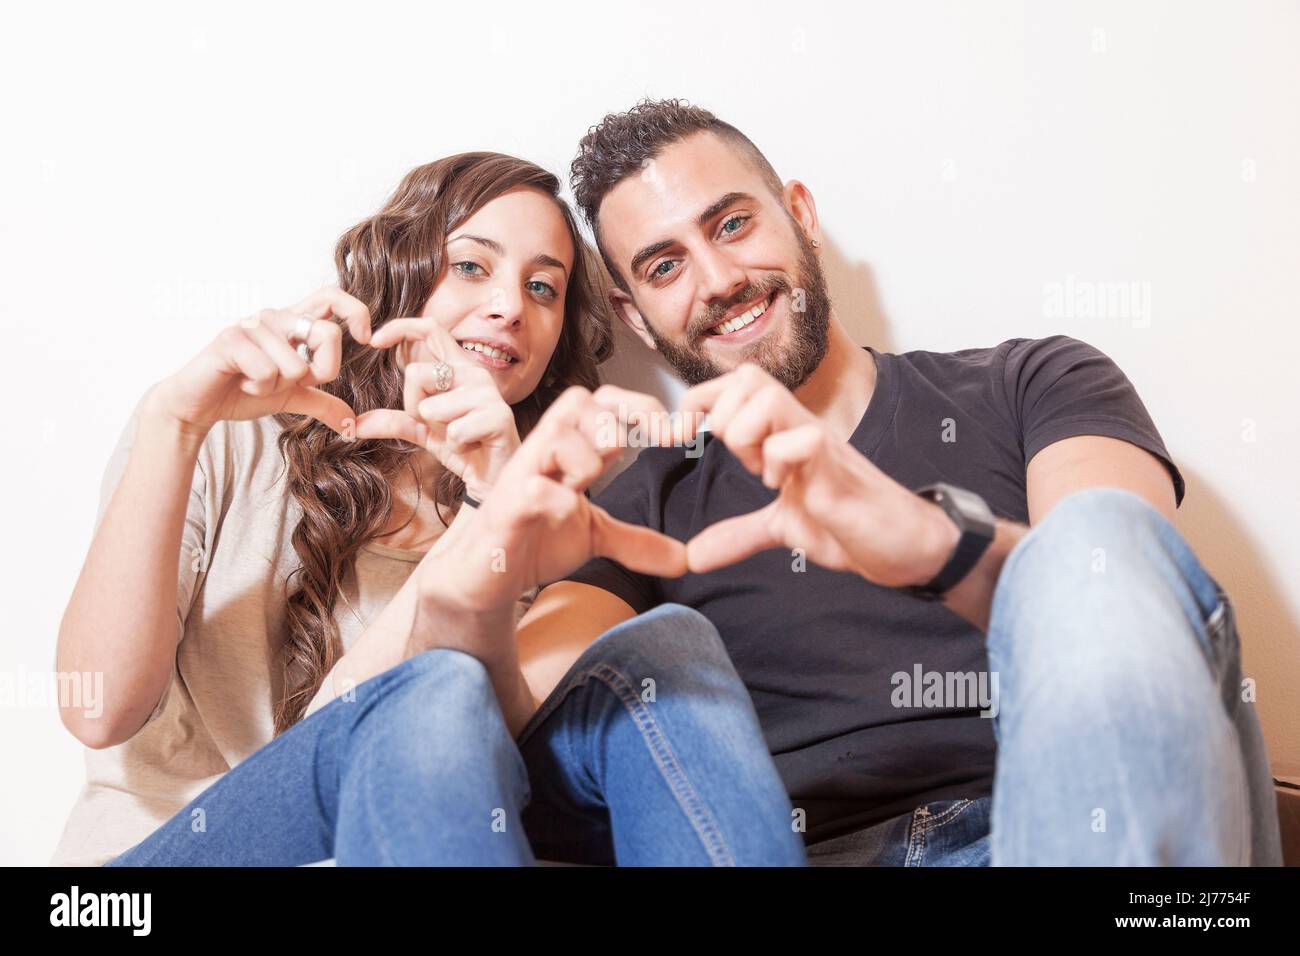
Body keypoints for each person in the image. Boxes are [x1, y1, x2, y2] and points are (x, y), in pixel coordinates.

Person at [493, 98, 1284, 866]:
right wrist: (492, 520)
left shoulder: (1033, 381)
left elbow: (1117, 593)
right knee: (647, 648)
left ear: (800, 213)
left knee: (1096, 537)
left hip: (1058, 823)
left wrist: (939, 547)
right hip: (805, 851)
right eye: (666, 266)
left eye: (732, 224)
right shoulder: (643, 505)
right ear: (638, 319)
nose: (720, 279)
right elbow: (512, 715)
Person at [52, 151, 806, 866]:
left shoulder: (552, 521)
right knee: (436, 690)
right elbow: (99, 710)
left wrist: (490, 509)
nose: (510, 306)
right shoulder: (223, 434)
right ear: (401, 275)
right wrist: (172, 420)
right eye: (472, 266)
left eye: (544, 288)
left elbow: (391, 754)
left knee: (666, 643)